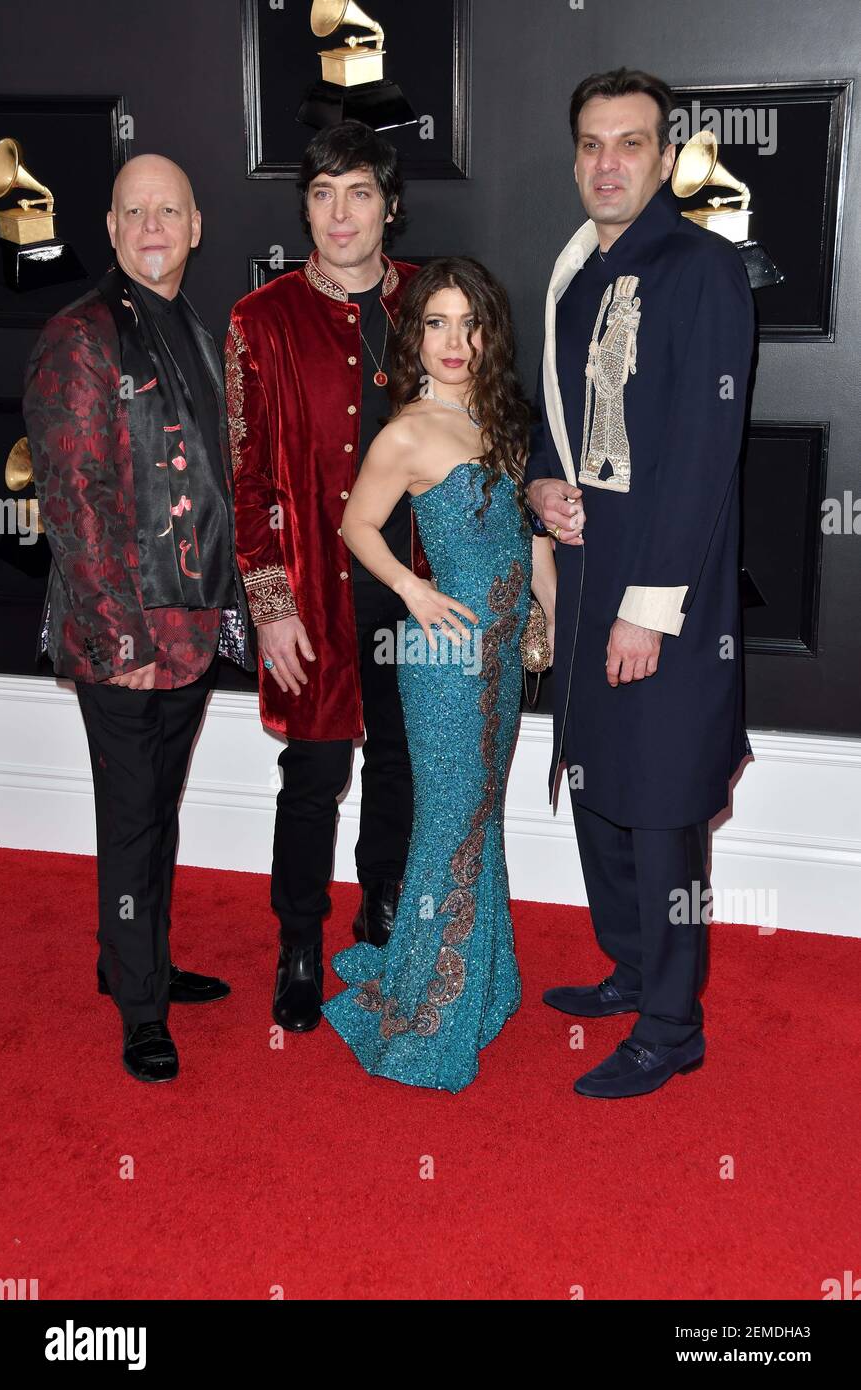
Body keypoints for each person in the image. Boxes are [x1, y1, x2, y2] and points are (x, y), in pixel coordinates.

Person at [526, 68, 755, 1099]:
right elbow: (553, 419)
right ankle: (627, 968)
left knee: (658, 807)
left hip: (665, 596)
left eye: (627, 143)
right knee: (598, 790)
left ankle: (672, 1027)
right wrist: (539, 483)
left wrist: (648, 608)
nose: (605, 162)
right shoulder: (575, 275)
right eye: (589, 143)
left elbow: (705, 454)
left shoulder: (703, 270)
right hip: (584, 579)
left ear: (663, 159)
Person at [23, 154, 253, 1083]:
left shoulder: (191, 326)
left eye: (169, 210)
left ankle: (134, 961)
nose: (152, 226)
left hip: (190, 627)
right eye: (133, 212)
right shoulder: (81, 335)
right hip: (122, 637)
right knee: (129, 821)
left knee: (157, 811)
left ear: (196, 227)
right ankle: (141, 1010)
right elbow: (75, 504)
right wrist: (120, 640)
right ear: (112, 230)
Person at [321, 257, 558, 1092]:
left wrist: (547, 611)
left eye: (470, 324)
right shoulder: (407, 433)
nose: (455, 341)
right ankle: (429, 1013)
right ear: (414, 337)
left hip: (499, 658)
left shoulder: (501, 420)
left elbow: (527, 533)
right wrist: (413, 589)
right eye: (437, 323)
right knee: (448, 828)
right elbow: (356, 524)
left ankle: (478, 982)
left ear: (487, 335)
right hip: (445, 661)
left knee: (480, 819)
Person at [225, 121, 427, 1034]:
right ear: (303, 206)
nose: (340, 214)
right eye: (321, 194)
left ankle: (381, 913)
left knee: (401, 764)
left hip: (416, 589)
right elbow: (247, 477)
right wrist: (270, 608)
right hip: (310, 596)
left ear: (390, 204)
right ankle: (298, 942)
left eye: (358, 193)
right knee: (311, 773)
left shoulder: (435, 305)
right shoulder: (259, 320)